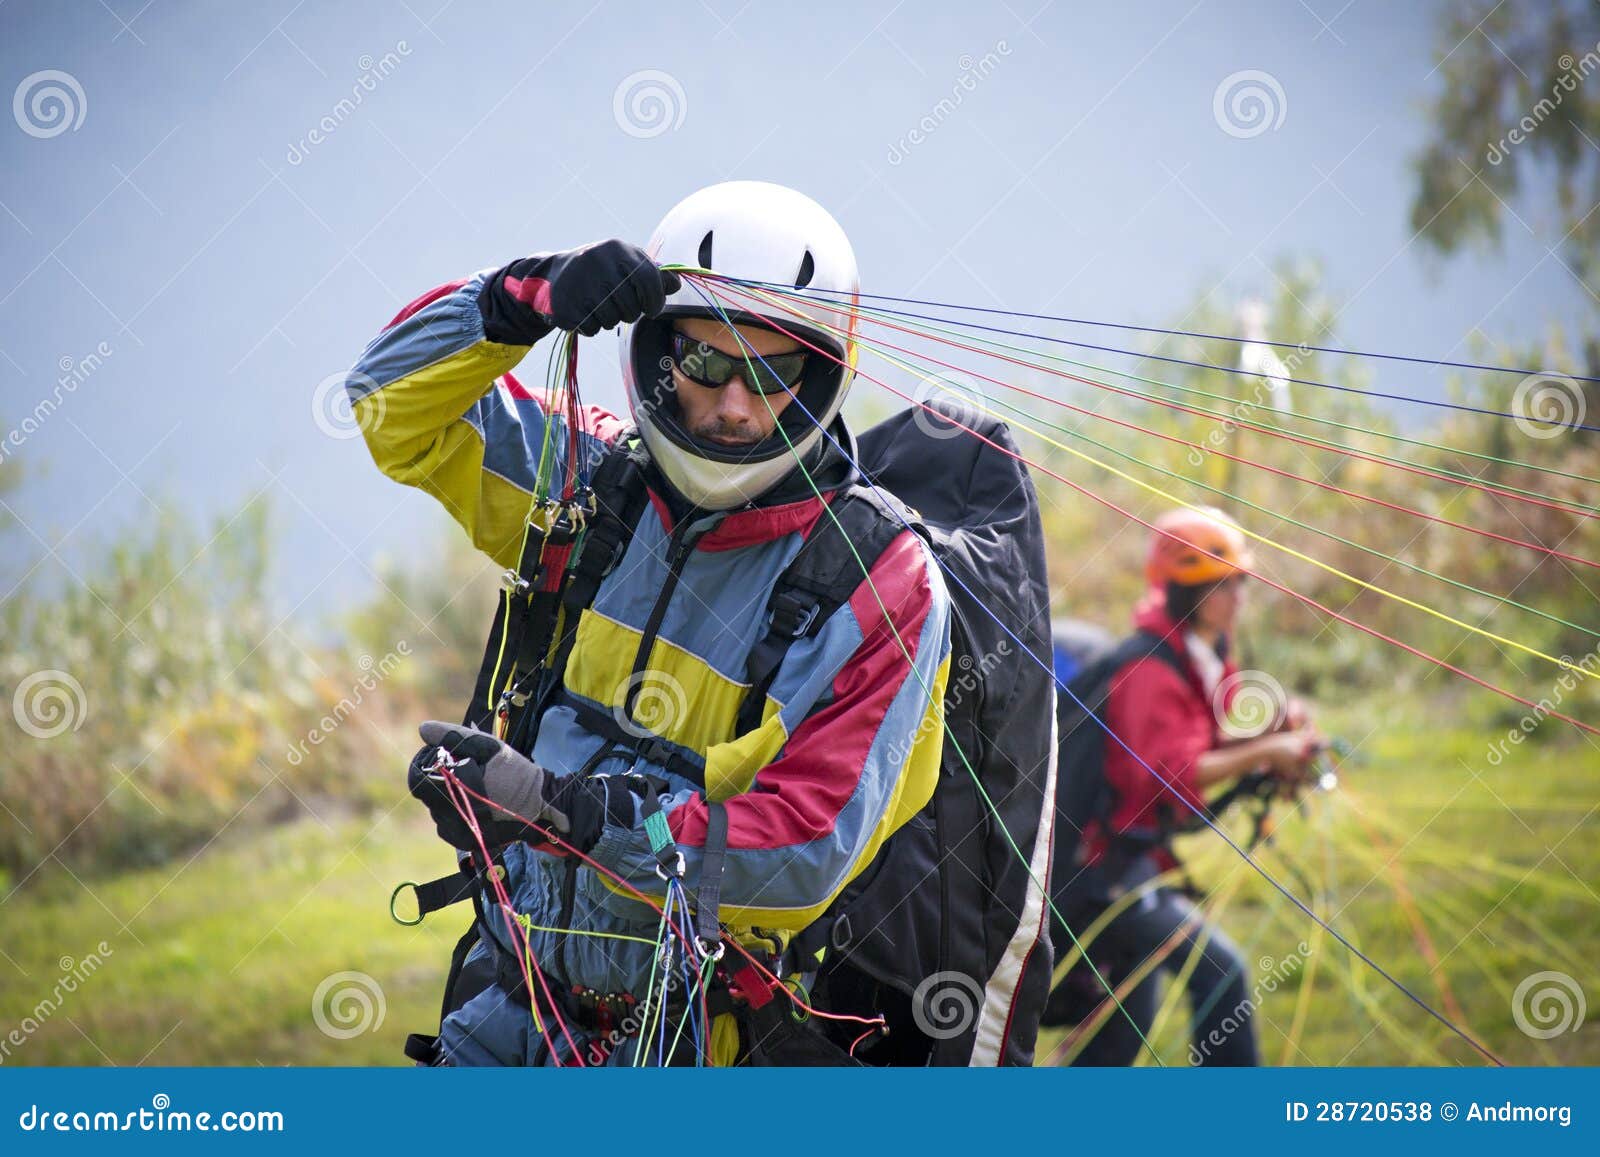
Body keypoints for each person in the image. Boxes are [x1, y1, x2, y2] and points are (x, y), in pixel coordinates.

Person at [344, 180, 951, 1065]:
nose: (737, 406)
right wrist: (524, 297)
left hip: (686, 1040)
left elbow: (807, 849)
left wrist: (566, 811)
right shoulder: (589, 481)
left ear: (821, 376)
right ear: (660, 354)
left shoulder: (881, 582)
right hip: (503, 998)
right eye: (708, 365)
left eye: (774, 373)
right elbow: (387, 400)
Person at [1053, 506, 1323, 1066]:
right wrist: (1265, 752)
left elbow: (1206, 739)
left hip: (1135, 865)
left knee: (1121, 1031)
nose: (1237, 598)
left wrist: (1274, 738)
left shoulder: (1201, 652)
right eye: (1222, 586)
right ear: (1184, 593)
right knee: (1221, 975)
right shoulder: (1148, 669)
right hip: (1103, 873)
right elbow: (1164, 774)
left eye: (1240, 583)